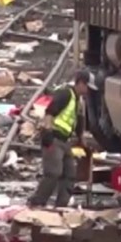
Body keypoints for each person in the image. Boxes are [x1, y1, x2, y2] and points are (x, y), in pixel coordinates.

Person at [28, 71, 91, 208]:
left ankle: (61, 205)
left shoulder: (78, 100)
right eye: (87, 87)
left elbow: (78, 123)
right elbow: (50, 112)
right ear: (80, 83)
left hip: (65, 142)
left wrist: (81, 139)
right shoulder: (66, 94)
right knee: (53, 172)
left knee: (69, 174)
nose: (88, 91)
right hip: (54, 138)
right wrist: (48, 132)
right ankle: (37, 203)